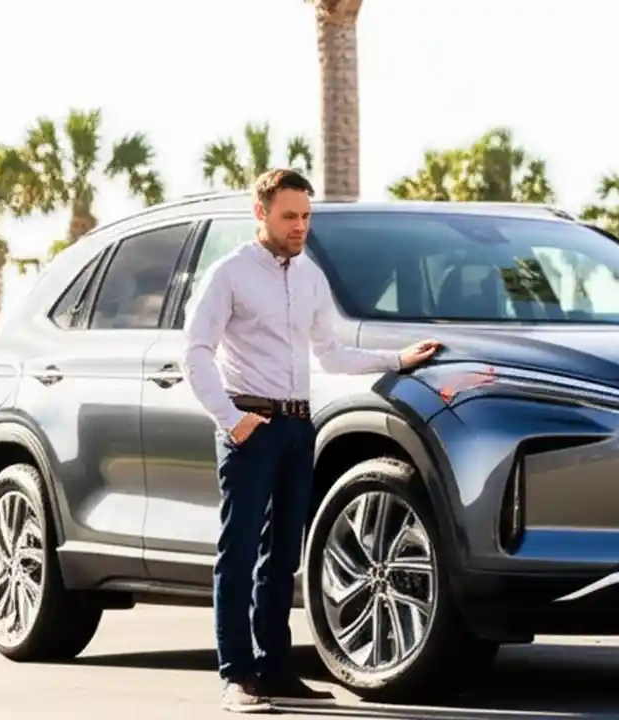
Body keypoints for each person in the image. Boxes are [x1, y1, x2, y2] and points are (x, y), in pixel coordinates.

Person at [183, 168, 441, 713]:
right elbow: (196, 352)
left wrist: (397, 360)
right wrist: (230, 418)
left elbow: (331, 354)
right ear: (261, 214)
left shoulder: (310, 277)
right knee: (239, 552)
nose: (300, 227)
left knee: (282, 557)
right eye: (289, 216)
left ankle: (275, 669)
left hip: (301, 428)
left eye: (305, 216)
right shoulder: (229, 274)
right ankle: (236, 676)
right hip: (250, 427)